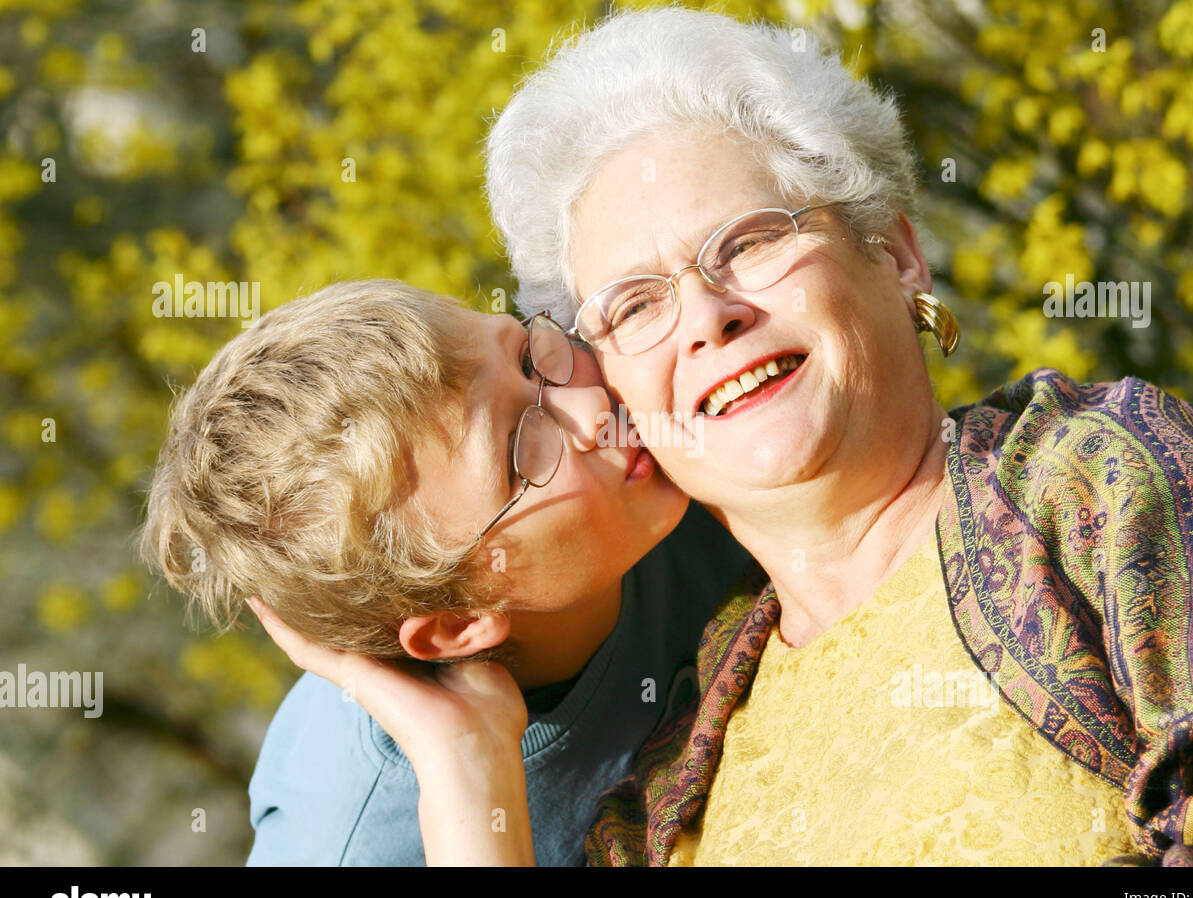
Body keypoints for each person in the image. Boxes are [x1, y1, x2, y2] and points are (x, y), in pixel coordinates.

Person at [480, 6, 1193, 865]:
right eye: (636, 306)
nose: (707, 318)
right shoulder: (666, 787)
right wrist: (463, 762)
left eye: (750, 242)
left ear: (896, 254)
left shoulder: (1104, 484)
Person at [138, 279, 752, 865]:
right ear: (459, 623)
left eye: (528, 357)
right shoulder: (360, 843)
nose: (593, 409)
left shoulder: (659, 444)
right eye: (521, 453)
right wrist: (467, 767)